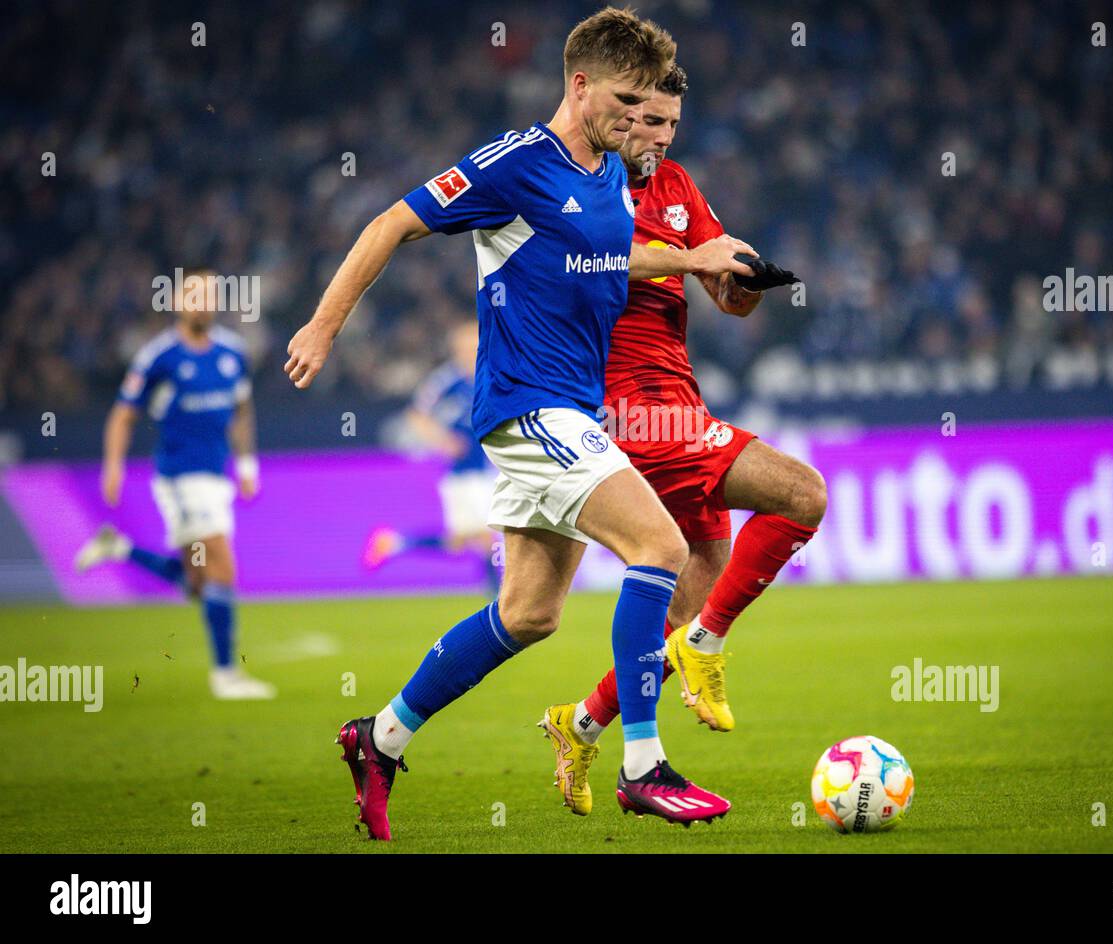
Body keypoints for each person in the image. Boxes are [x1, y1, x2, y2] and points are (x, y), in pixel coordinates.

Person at [284, 7, 757, 839]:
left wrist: (694, 259)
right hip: (526, 407)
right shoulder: (515, 163)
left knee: (530, 613)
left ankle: (379, 738)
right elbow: (393, 220)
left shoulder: (608, 170)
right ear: (579, 84)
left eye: (648, 104)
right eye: (624, 100)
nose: (637, 121)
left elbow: (600, 254)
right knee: (663, 549)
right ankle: (643, 766)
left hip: (571, 411)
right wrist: (323, 326)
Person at [539, 65, 825, 815]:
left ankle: (581, 723)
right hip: (631, 416)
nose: (658, 137)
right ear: (616, 112)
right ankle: (704, 652)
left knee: (690, 598)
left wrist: (743, 284)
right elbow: (585, 263)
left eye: (670, 123)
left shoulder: (676, 185)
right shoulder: (584, 183)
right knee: (802, 495)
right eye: (646, 120)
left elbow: (723, 297)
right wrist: (691, 256)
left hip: (682, 402)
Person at [75, 267, 275, 700]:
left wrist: (246, 466)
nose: (202, 302)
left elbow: (241, 411)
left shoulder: (233, 353)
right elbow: (124, 414)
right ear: (177, 302)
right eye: (193, 294)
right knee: (221, 565)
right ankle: (226, 675)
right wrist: (113, 466)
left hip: (216, 476)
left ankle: (119, 547)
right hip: (180, 479)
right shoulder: (159, 358)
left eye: (209, 295)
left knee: (197, 582)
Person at [363, 320, 500, 597]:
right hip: (464, 473)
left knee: (460, 542)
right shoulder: (446, 381)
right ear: (456, 349)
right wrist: (443, 441)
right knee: (486, 536)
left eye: (475, 344)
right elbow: (415, 415)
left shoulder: (490, 375)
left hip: (485, 469)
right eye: (466, 346)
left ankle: (395, 543)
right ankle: (498, 596)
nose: (472, 351)